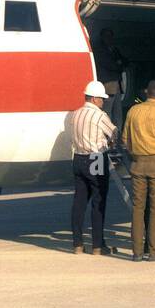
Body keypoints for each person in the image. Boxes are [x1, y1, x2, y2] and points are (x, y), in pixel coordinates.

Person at [120, 79, 155, 262]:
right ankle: (153, 251)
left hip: (138, 163)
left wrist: (134, 153)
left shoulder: (133, 111)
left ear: (146, 92)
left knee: (137, 208)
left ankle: (136, 251)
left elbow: (125, 140)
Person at [66, 80, 116, 255]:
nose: (103, 102)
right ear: (94, 99)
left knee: (79, 202)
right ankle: (97, 245)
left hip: (78, 157)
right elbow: (113, 133)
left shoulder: (73, 114)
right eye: (102, 99)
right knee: (98, 201)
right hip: (95, 157)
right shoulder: (99, 116)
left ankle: (77, 244)